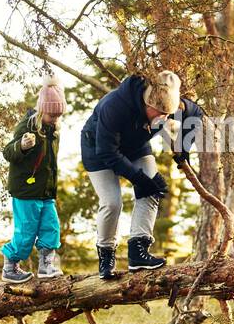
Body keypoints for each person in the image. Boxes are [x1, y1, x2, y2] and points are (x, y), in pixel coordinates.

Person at [80, 69, 202, 278]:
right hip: (98, 150)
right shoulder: (115, 106)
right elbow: (108, 152)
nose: (164, 118)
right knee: (112, 202)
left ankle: (138, 250)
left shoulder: (171, 105)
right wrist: (139, 178)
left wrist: (183, 148)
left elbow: (197, 114)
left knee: (151, 192)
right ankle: (106, 253)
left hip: (136, 147)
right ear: (147, 104)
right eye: (159, 114)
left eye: (168, 115)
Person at [0, 78, 67, 283]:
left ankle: (46, 265)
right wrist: (22, 145)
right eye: (51, 114)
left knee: (51, 226)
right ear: (41, 110)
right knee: (27, 231)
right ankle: (10, 265)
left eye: (58, 115)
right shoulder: (27, 126)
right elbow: (8, 152)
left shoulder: (53, 132)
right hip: (26, 191)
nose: (55, 118)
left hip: (46, 192)